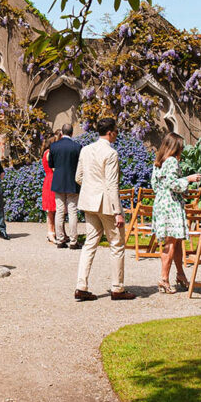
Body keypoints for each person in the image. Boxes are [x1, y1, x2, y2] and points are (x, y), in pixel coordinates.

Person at [74, 116, 130, 301]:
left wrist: (91, 188)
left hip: (89, 202)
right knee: (117, 244)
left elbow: (78, 177)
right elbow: (112, 184)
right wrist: (117, 212)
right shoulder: (111, 153)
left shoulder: (86, 149)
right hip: (106, 204)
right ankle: (117, 288)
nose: (117, 134)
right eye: (116, 131)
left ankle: (81, 286)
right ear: (110, 132)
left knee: (90, 244)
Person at [150, 132, 201, 293]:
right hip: (171, 205)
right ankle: (164, 278)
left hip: (161, 202)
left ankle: (180, 274)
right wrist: (188, 179)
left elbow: (155, 185)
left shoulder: (158, 163)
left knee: (176, 241)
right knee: (171, 242)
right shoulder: (172, 161)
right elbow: (173, 183)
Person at [47, 125, 83, 248]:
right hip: (72, 182)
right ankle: (73, 241)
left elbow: (51, 164)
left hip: (58, 181)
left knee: (60, 211)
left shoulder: (54, 146)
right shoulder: (77, 147)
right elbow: (80, 165)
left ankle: (60, 240)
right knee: (72, 211)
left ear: (62, 132)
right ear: (72, 133)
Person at [41, 140, 58, 244]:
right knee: (51, 209)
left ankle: (54, 232)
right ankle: (51, 232)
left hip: (50, 179)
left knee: (54, 209)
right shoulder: (48, 153)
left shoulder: (46, 152)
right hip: (51, 180)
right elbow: (54, 168)